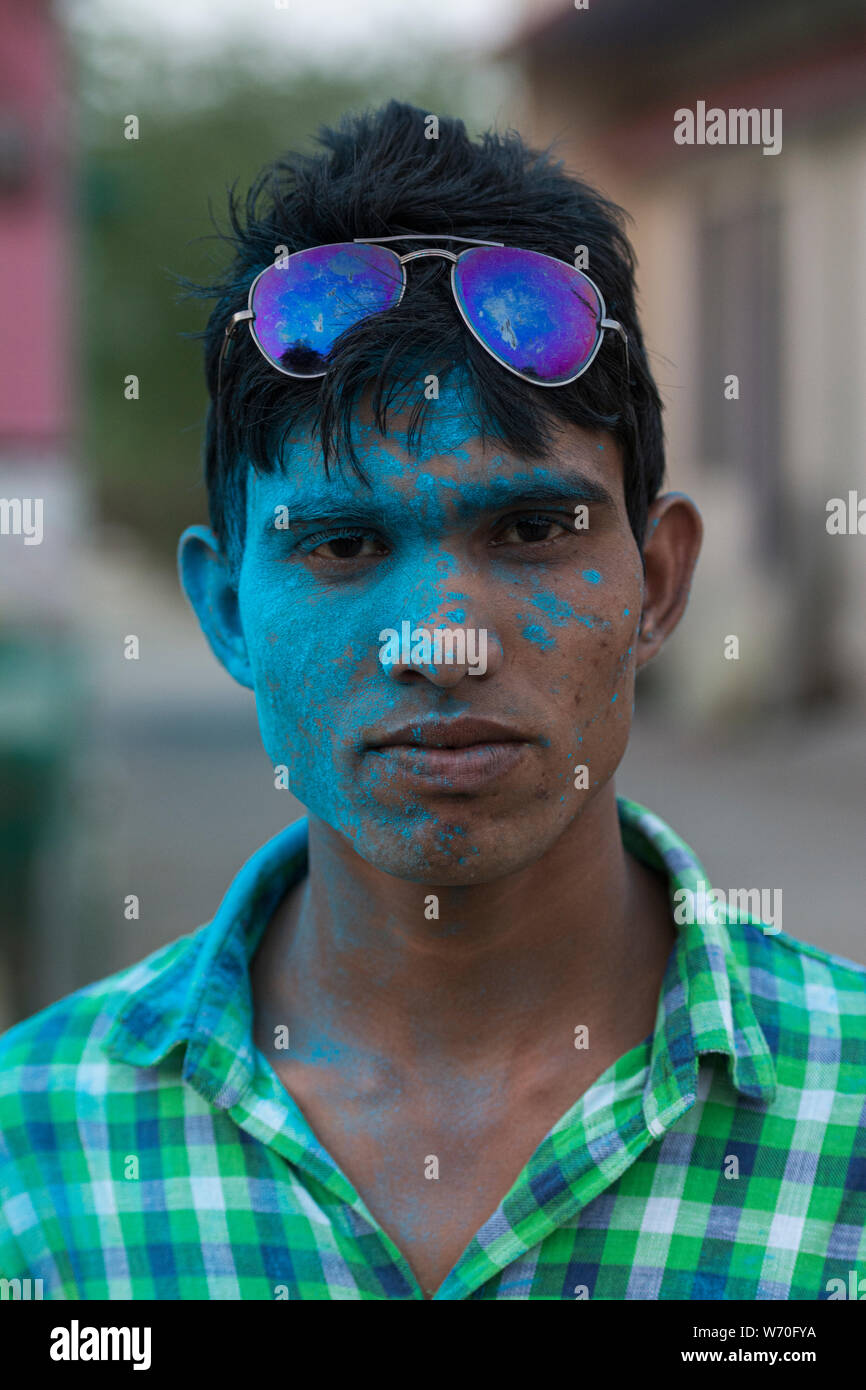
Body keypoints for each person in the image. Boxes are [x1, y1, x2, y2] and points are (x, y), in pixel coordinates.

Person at [1, 101, 863, 1302]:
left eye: (527, 530)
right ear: (227, 611)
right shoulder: (36, 1160)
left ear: (657, 582)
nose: (441, 639)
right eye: (344, 544)